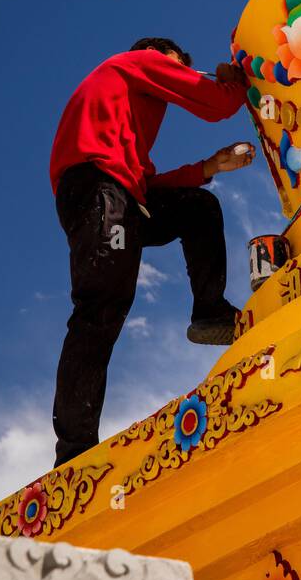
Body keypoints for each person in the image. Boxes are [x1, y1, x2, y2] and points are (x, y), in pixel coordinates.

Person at [49, 36, 256, 467]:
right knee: (100, 308)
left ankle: (209, 312)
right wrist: (234, 84)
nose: (176, 76)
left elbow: (149, 190)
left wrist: (210, 167)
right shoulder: (137, 61)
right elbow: (214, 103)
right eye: (176, 67)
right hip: (98, 190)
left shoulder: (123, 133)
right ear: (161, 58)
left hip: (121, 196)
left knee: (197, 207)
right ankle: (73, 452)